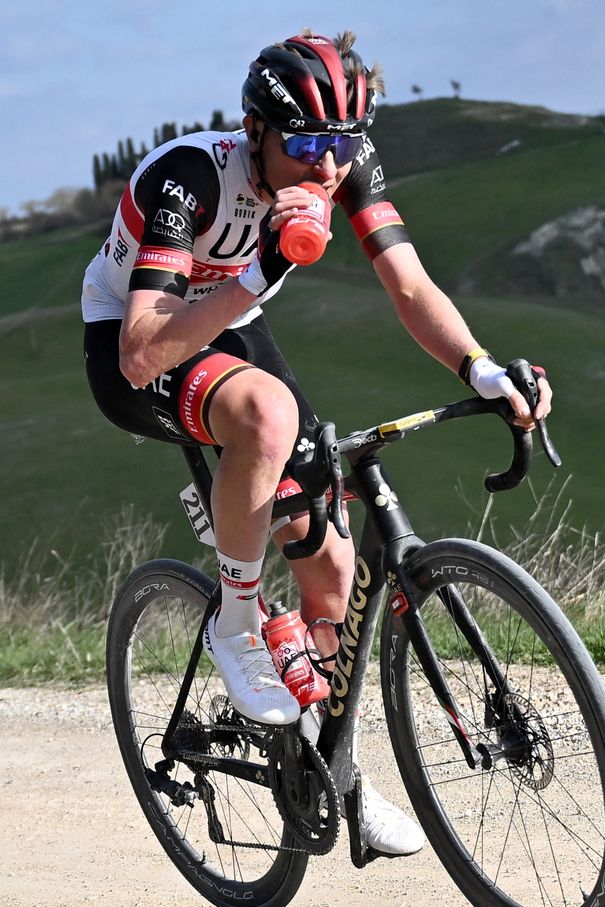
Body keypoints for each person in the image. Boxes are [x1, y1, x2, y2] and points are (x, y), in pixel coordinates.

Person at [79, 30, 553, 858]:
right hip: (133, 343)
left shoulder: (339, 163)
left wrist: (480, 370)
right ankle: (234, 622)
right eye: (305, 146)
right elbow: (145, 348)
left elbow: (410, 285)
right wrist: (258, 268)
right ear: (255, 131)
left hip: (231, 325)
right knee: (265, 415)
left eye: (343, 146)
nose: (327, 168)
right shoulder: (188, 179)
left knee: (333, 568)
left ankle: (334, 772)